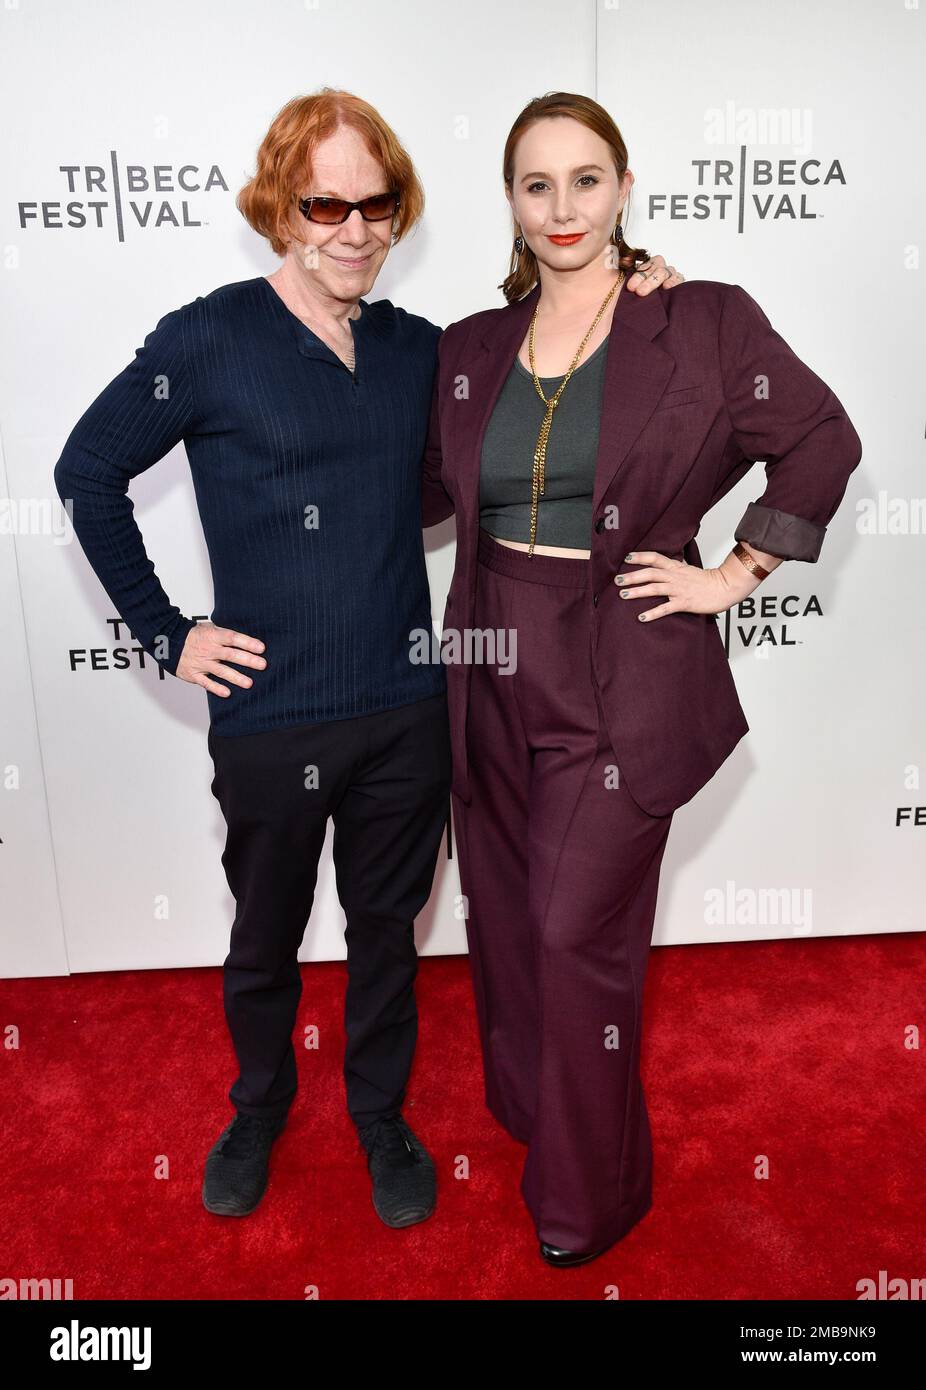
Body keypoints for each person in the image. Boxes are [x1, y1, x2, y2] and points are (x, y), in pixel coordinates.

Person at [52, 88, 682, 1228]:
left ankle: (380, 1114)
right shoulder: (208, 338)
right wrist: (165, 631)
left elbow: (545, 383)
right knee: (263, 933)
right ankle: (257, 1108)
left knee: (387, 933)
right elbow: (86, 473)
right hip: (268, 715)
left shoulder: (423, 353)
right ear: (275, 210)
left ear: (400, 210)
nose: (353, 228)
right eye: (323, 203)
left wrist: (643, 300)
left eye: (375, 202)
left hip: (404, 708)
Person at [421, 91, 863, 1266]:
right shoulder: (469, 346)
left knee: (574, 932)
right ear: (509, 204)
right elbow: (411, 486)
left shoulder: (701, 320)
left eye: (583, 180)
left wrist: (738, 568)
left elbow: (820, 435)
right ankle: (534, 1111)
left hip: (618, 662)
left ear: (622, 187)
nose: (561, 207)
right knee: (508, 919)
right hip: (486, 652)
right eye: (534, 184)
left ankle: (590, 1194)